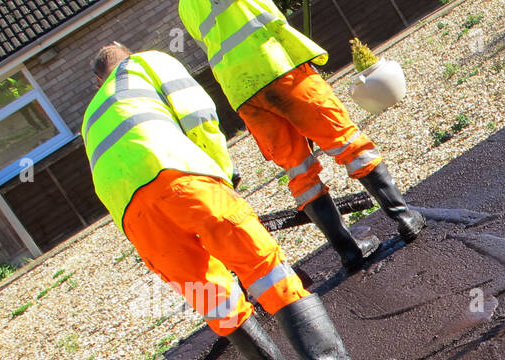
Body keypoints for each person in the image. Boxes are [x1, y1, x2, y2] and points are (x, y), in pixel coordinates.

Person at [83, 42, 401, 360]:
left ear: (97, 82)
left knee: (209, 294)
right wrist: (222, 175)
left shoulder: (92, 114)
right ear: (128, 56)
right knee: (263, 267)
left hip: (131, 214)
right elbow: (198, 114)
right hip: (177, 174)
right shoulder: (146, 64)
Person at [178, 0, 425, 273]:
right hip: (278, 65)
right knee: (346, 141)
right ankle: (404, 217)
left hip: (242, 92)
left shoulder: (185, 8)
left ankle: (349, 251)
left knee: (299, 171)